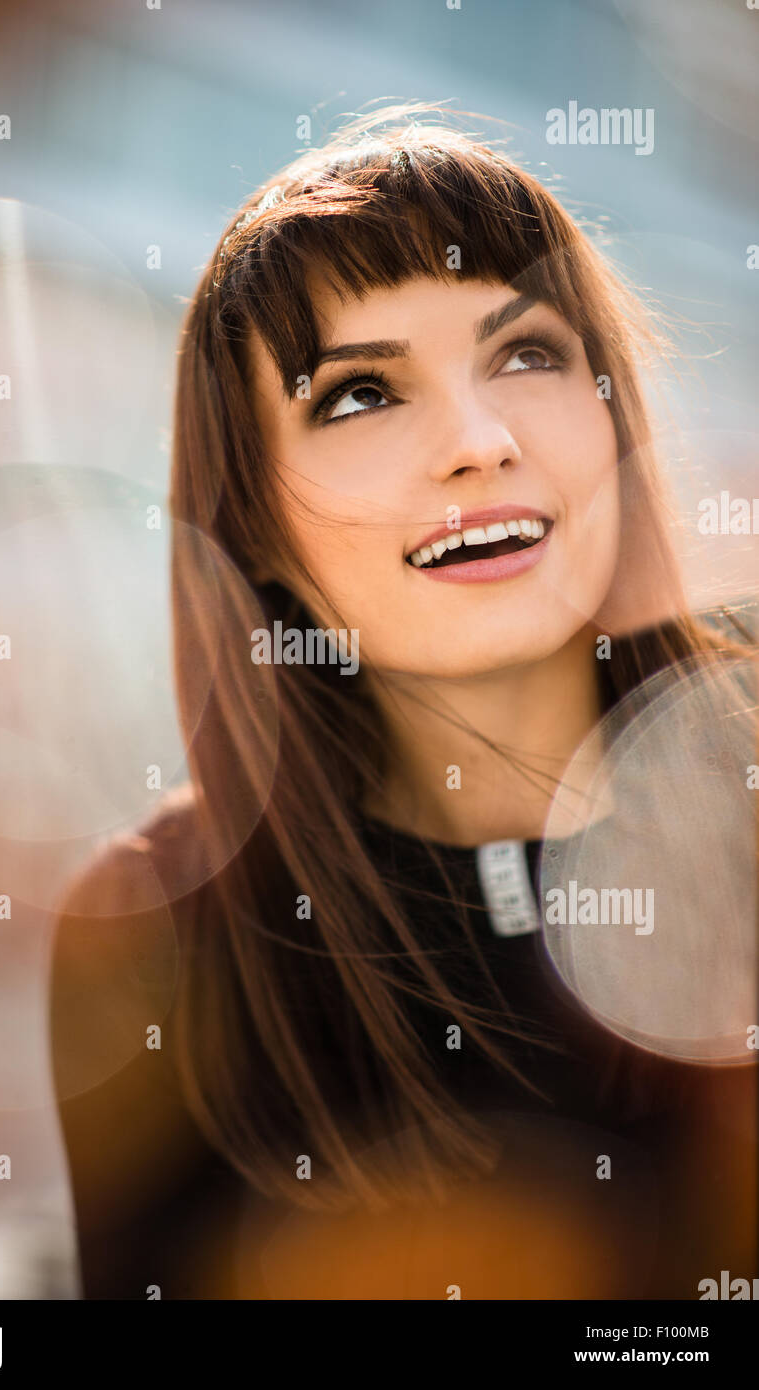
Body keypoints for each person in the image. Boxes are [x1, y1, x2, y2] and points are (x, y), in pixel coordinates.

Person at [49, 103, 757, 1300]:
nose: (477, 441)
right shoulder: (159, 924)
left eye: (525, 354)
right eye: (358, 394)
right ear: (254, 526)